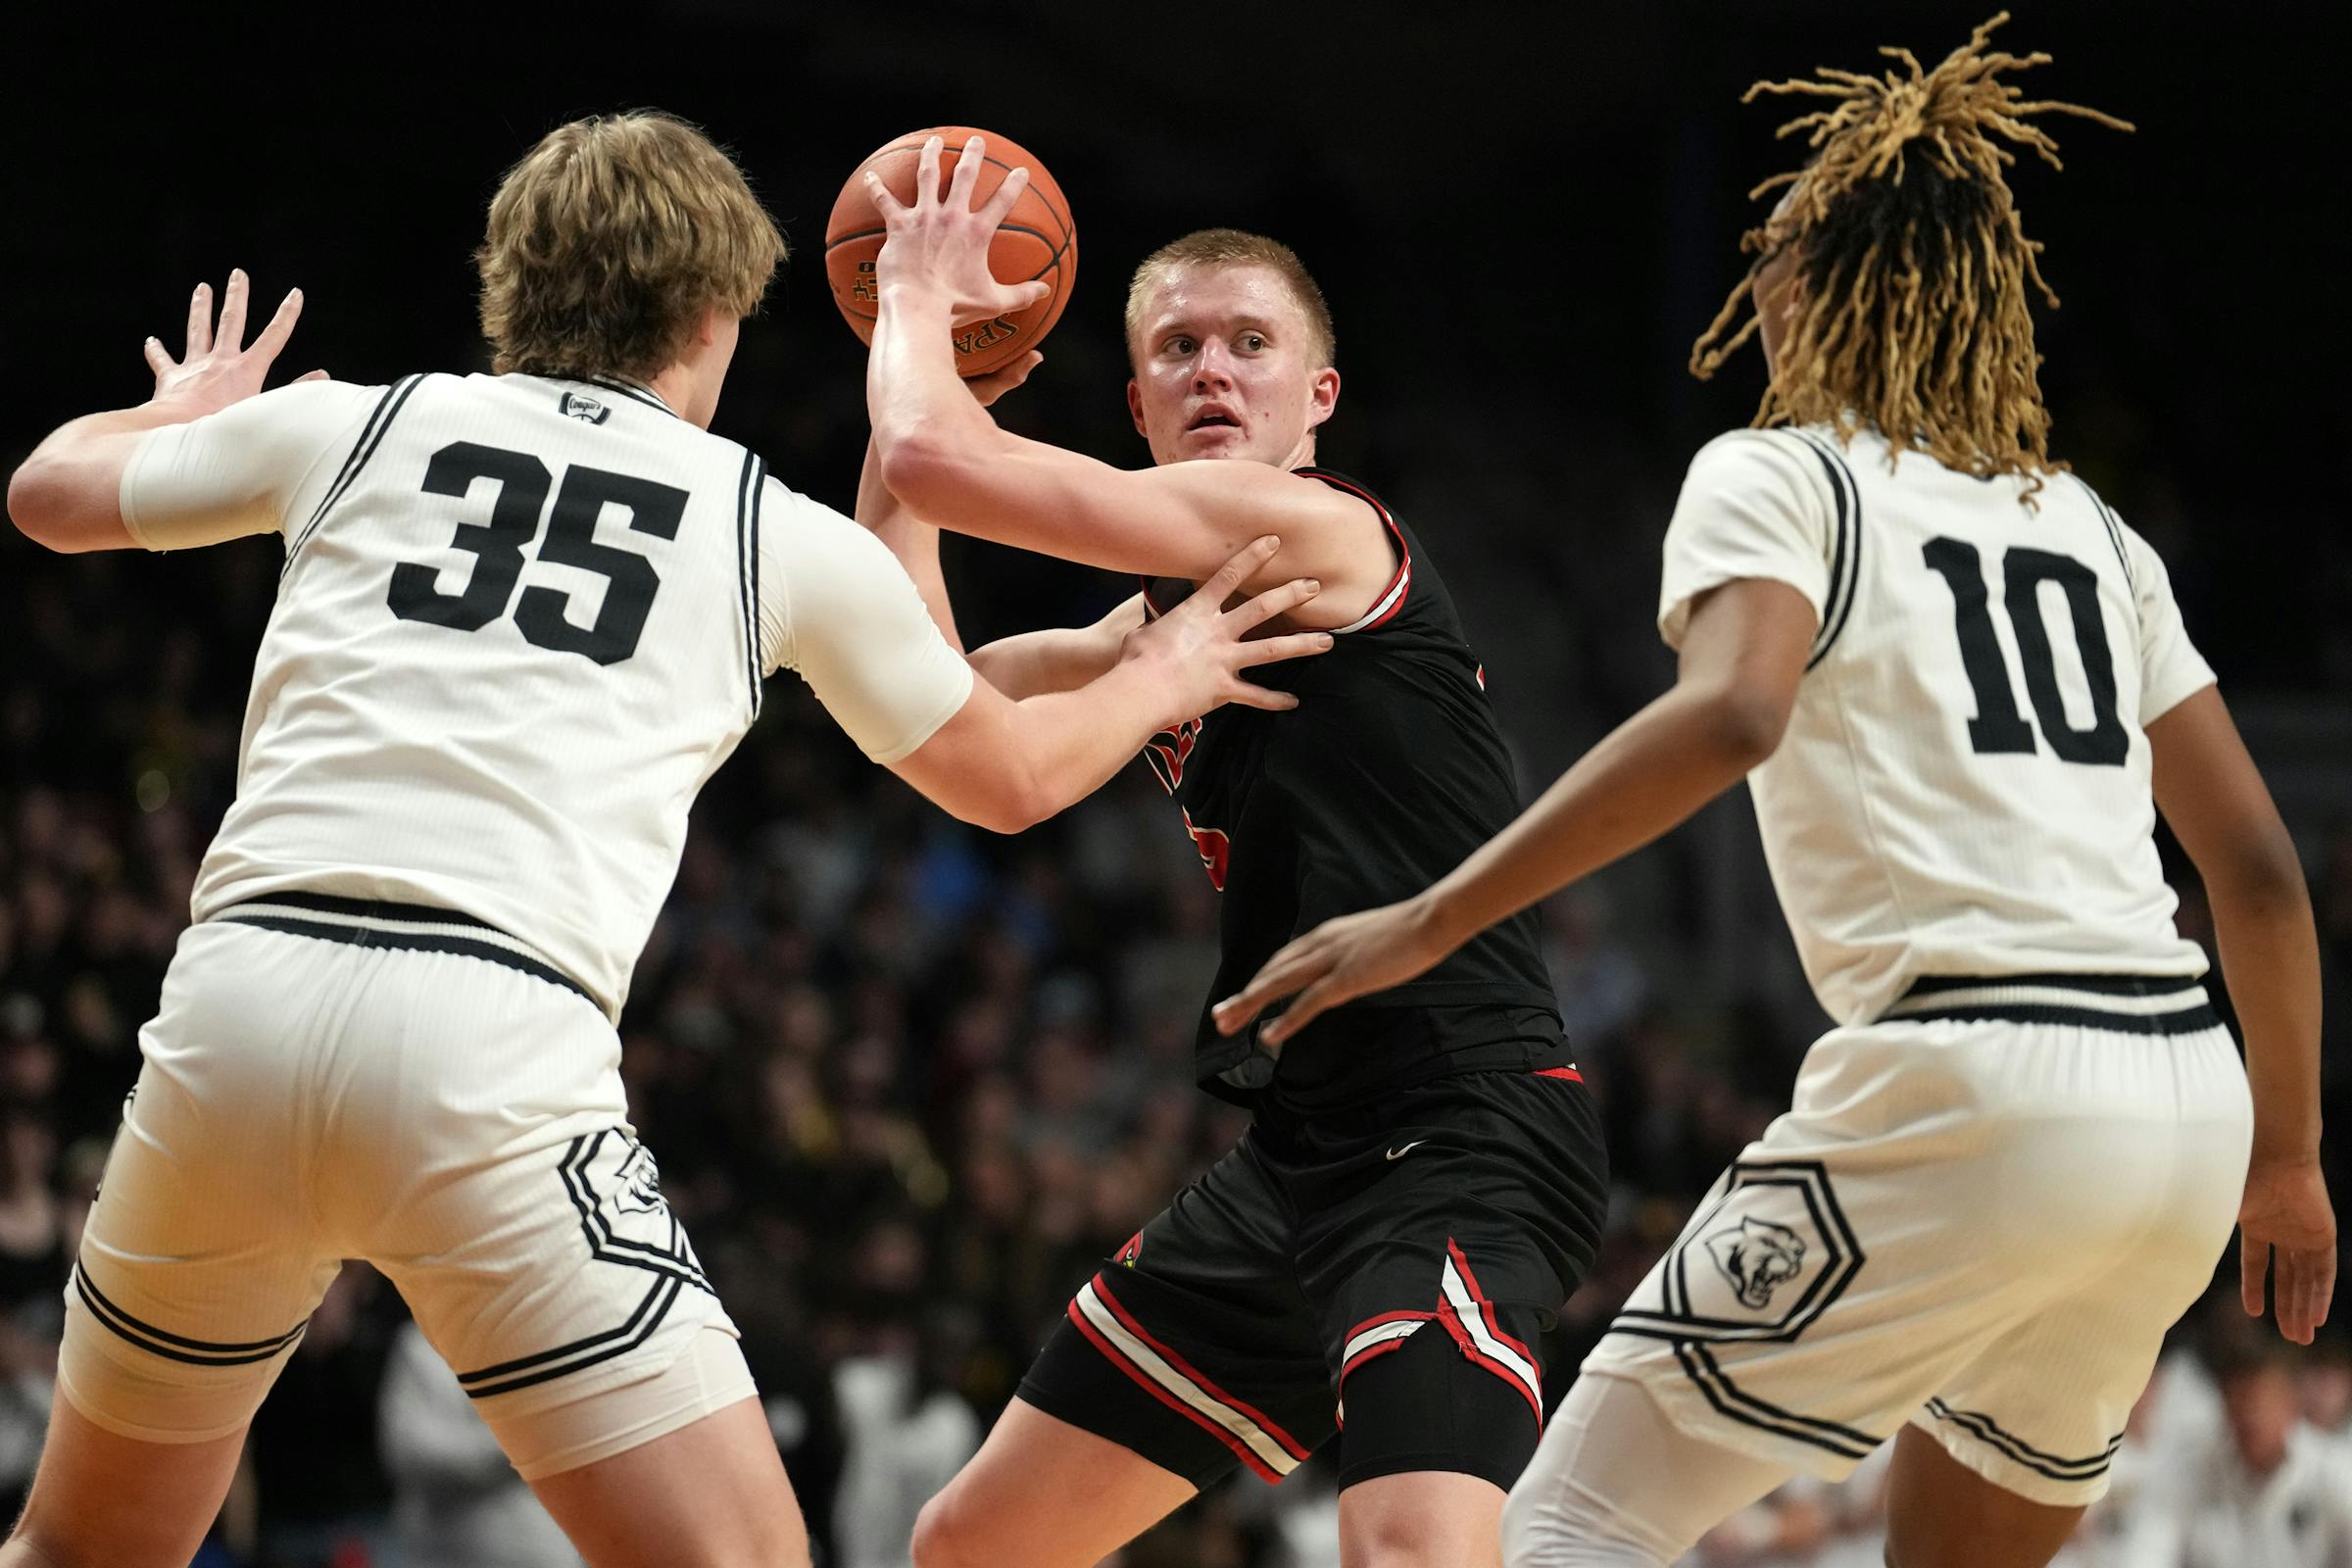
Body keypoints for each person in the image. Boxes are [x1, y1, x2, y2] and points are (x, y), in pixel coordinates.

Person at [0, 109, 1323, 1568]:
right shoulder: (766, 525)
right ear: (716, 312)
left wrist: (177, 412)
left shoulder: (361, 420)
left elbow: (47, 495)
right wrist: (1168, 667)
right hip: (487, 1045)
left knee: (80, 1554)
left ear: (511, 288)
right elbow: (1000, 776)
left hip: (238, 1011)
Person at [1212, 17, 2337, 1568]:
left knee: (1565, 1526)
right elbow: (2260, 875)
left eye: (1785, 254)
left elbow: (1732, 715)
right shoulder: (2086, 525)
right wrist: (2290, 1155)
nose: (1768, 282)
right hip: (2186, 1119)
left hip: (1972, 1080)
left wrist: (1427, 918)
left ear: (1821, 290)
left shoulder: (1784, 470)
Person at [857, 138, 1611, 1568]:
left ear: (1316, 402)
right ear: (1132, 400)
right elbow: (912, 689)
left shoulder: (1316, 533)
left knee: (1406, 1548)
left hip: (1464, 1125)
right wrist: (905, 371)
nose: (1214, 370)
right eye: (1179, 347)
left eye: (1251, 345)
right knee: (971, 1547)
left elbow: (931, 453)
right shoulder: (1154, 633)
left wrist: (911, 306)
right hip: (1299, 1154)